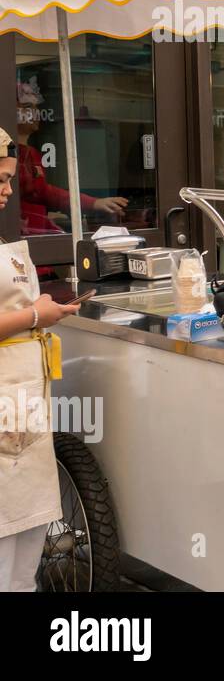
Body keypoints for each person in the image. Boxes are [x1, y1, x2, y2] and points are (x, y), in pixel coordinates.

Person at [0, 126, 84, 591]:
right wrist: (36, 313)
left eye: (10, 178)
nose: (10, 191)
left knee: (27, 531)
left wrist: (43, 315)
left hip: (22, 404)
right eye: (0, 180)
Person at [15, 80, 126, 237]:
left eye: (36, 107)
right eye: (27, 107)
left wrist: (50, 224)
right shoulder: (16, 155)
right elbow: (39, 192)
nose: (35, 113)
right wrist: (93, 203)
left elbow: (39, 196)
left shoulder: (30, 152)